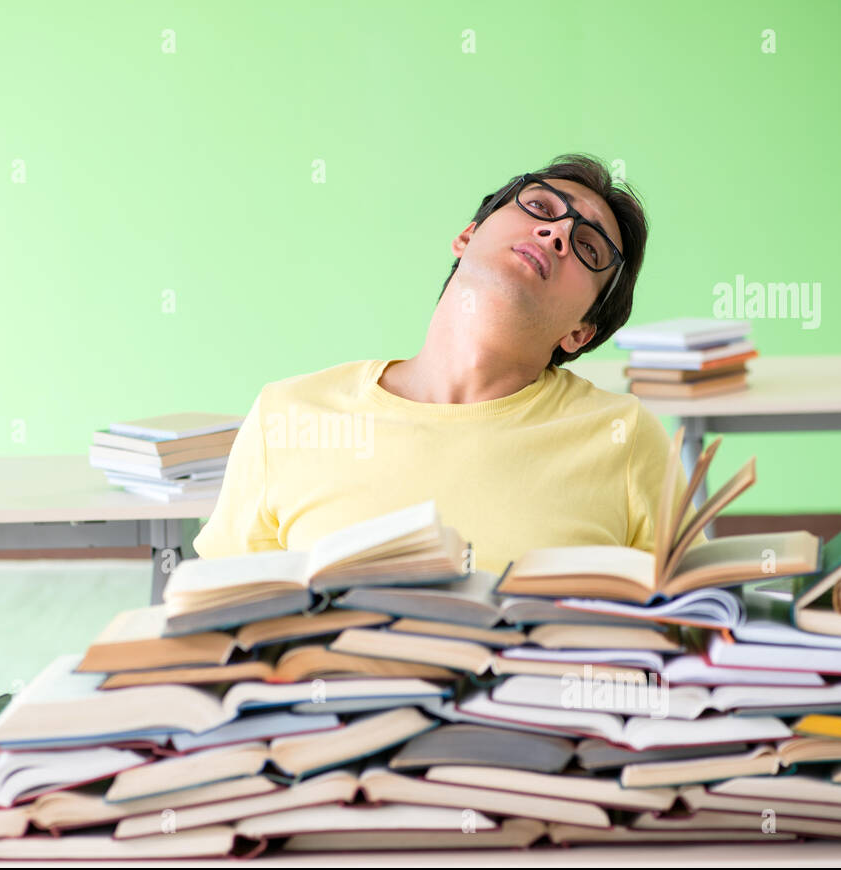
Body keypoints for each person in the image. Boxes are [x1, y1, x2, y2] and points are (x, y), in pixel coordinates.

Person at [192, 153, 702, 576]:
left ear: (579, 333)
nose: (557, 233)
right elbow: (218, 618)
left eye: (588, 246)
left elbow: (691, 630)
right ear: (467, 236)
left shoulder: (628, 438)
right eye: (542, 207)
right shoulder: (287, 414)